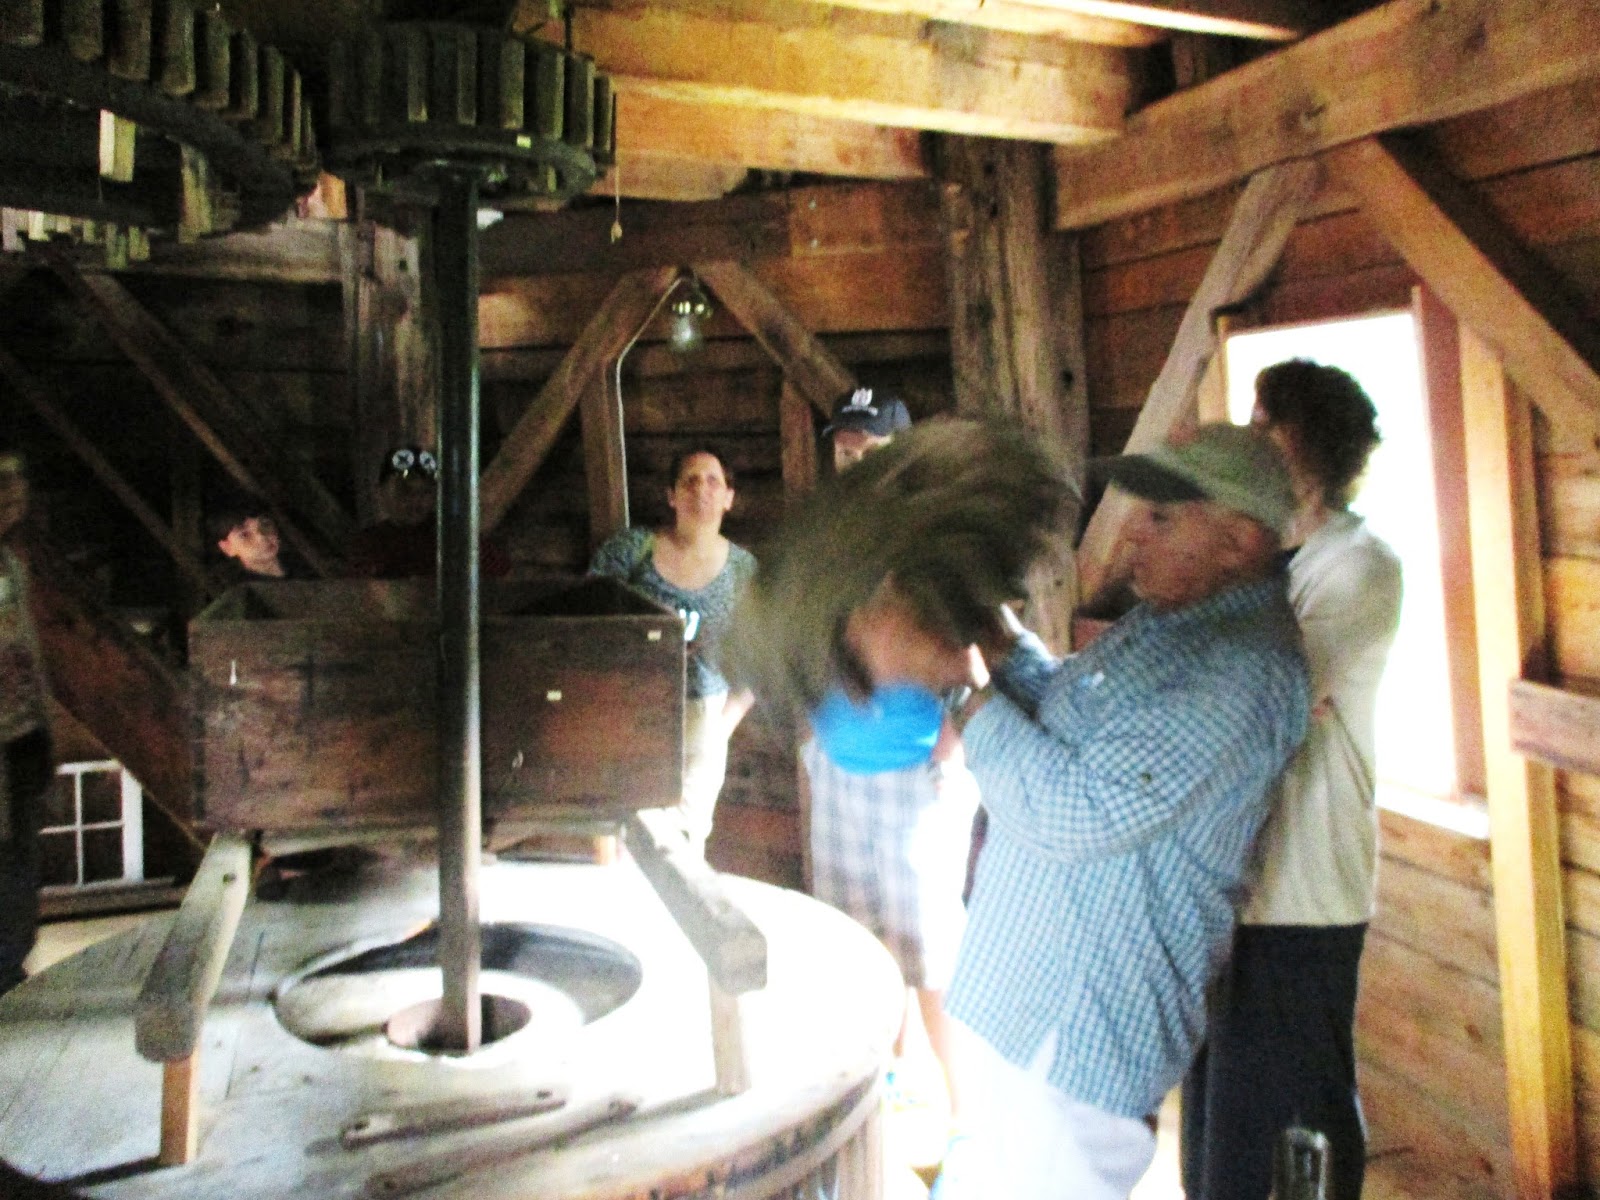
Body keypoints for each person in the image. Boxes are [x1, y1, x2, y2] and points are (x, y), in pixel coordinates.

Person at [842, 423, 1311, 1200]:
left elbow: (1071, 812)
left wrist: (959, 682)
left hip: (1075, 1046)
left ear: (1238, 540)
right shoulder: (1176, 623)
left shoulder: (1242, 671)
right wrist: (992, 632)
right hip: (1031, 1018)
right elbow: (1066, 707)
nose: (1131, 535)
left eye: (1162, 518)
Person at [1181, 362, 1402, 1200]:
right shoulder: (1261, 561)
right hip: (1229, 887)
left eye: (1264, 421)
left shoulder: (1360, 568)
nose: (1250, 436)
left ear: (1308, 444)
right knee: (1219, 1132)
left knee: (1297, 1122)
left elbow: (1258, 696)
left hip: (1307, 896)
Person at [800, 388, 978, 1154]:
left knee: (931, 954)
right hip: (839, 767)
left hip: (915, 775)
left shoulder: (940, 538)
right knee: (861, 943)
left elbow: (988, 646)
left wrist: (956, 738)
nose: (856, 461)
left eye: (870, 448)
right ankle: (898, 1099)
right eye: (845, 449)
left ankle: (972, 1124)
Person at [590, 447, 756, 858]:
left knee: (682, 844)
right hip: (631, 710)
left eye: (713, 481)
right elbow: (588, 617)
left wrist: (722, 728)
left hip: (703, 714)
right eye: (690, 480)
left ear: (729, 498)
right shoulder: (632, 553)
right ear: (671, 495)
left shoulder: (742, 570)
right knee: (618, 833)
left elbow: (761, 657)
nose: (701, 489)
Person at [0, 445, 53, 996]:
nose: (11, 502)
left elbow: (25, 650)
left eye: (17, 490)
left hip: (21, 736)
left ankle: (10, 970)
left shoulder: (12, 567)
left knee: (18, 861)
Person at [347, 446, 510, 579]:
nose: (416, 501)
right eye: (404, 491)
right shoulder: (370, 544)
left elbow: (497, 570)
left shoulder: (454, 538)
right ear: (380, 493)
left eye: (426, 492)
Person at [210, 503, 294, 582]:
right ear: (227, 548)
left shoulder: (299, 560)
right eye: (244, 535)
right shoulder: (244, 592)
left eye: (265, 524)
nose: (261, 538)